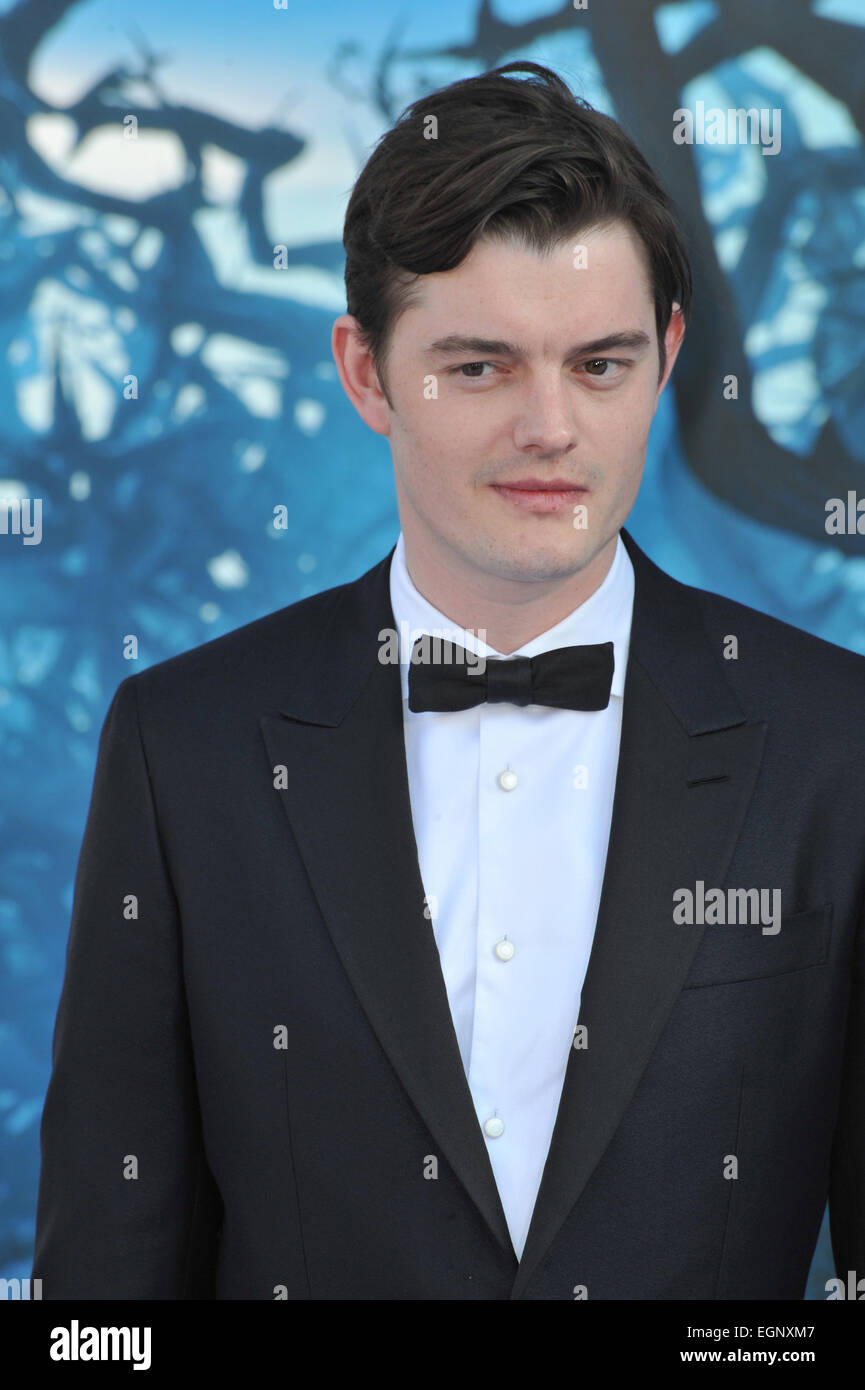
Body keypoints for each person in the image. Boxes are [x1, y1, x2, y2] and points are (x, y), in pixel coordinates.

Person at [33, 60, 865, 1300]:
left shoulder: (835, 742)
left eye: (599, 364)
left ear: (667, 355)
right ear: (367, 373)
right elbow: (107, 1294)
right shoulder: (183, 747)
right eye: (479, 367)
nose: (550, 428)